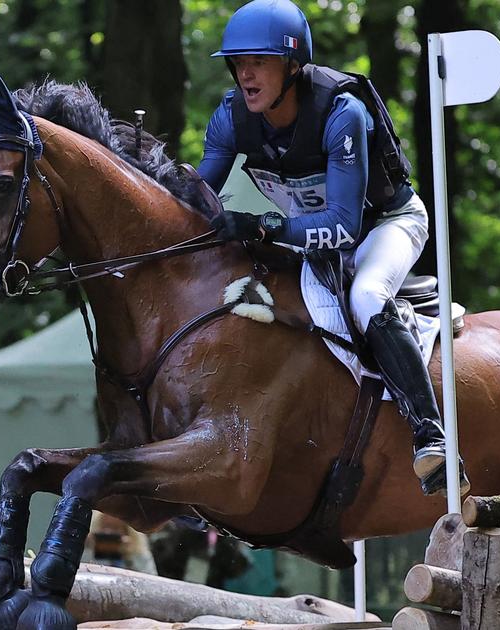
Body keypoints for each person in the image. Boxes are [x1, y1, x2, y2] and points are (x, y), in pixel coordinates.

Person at [196, 0, 468, 496]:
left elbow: (343, 228)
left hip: (384, 225)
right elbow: (194, 198)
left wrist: (260, 226)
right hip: (311, 235)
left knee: (366, 297)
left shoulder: (342, 113)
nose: (245, 75)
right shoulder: (230, 119)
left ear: (293, 65)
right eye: (238, 63)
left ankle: (432, 436)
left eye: (259, 62)